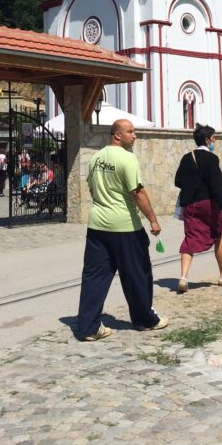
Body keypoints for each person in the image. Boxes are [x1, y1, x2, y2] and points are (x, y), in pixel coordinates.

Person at [75, 118, 168, 341]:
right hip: (125, 226)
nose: (134, 135)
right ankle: (144, 319)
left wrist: (104, 203)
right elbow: (137, 193)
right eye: (130, 132)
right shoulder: (127, 159)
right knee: (137, 274)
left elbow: (91, 187)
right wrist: (153, 220)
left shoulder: (96, 158)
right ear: (117, 135)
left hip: (98, 225)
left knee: (94, 276)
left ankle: (88, 327)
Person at [174, 123, 222, 293]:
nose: (215, 140)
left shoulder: (186, 158)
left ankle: (183, 277)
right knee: (218, 236)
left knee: (189, 238)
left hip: (190, 205)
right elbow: (217, 186)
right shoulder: (212, 159)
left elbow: (177, 181)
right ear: (207, 139)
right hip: (208, 204)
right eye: (214, 137)